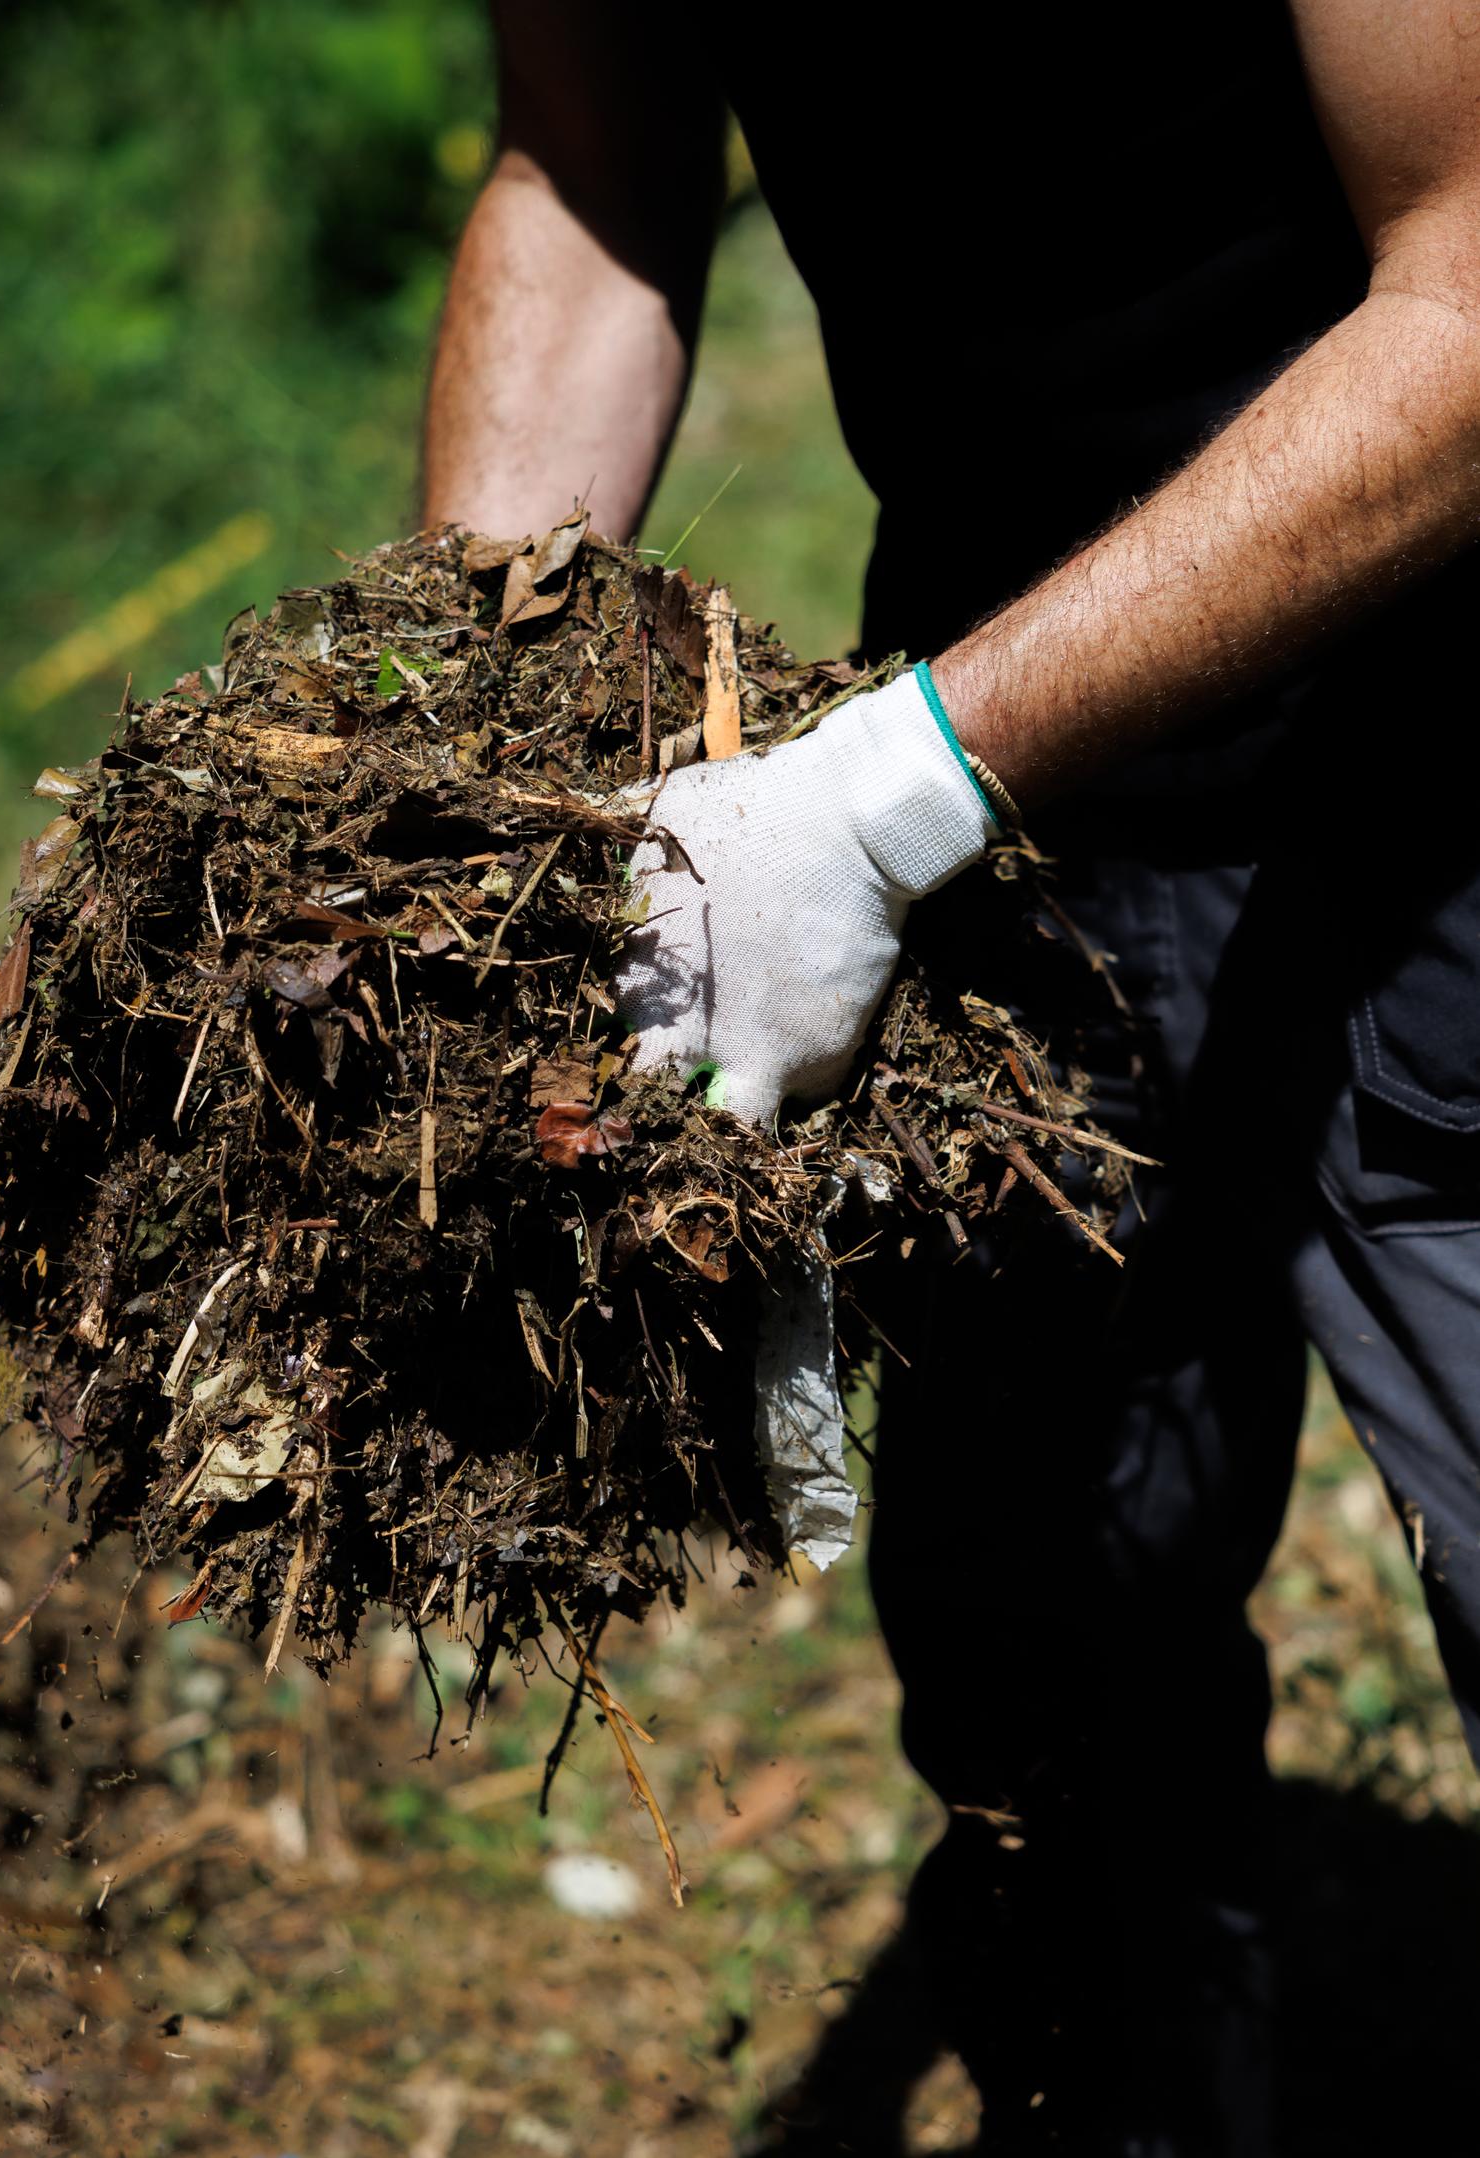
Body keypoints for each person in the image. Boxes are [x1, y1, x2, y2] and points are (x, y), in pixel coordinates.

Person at [421, 6, 1480, 2151]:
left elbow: (1473, 276)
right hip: (1019, 805)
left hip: (1445, 754)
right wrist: (466, 755)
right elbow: (593, 174)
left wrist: (880, 793)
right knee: (1040, 1669)